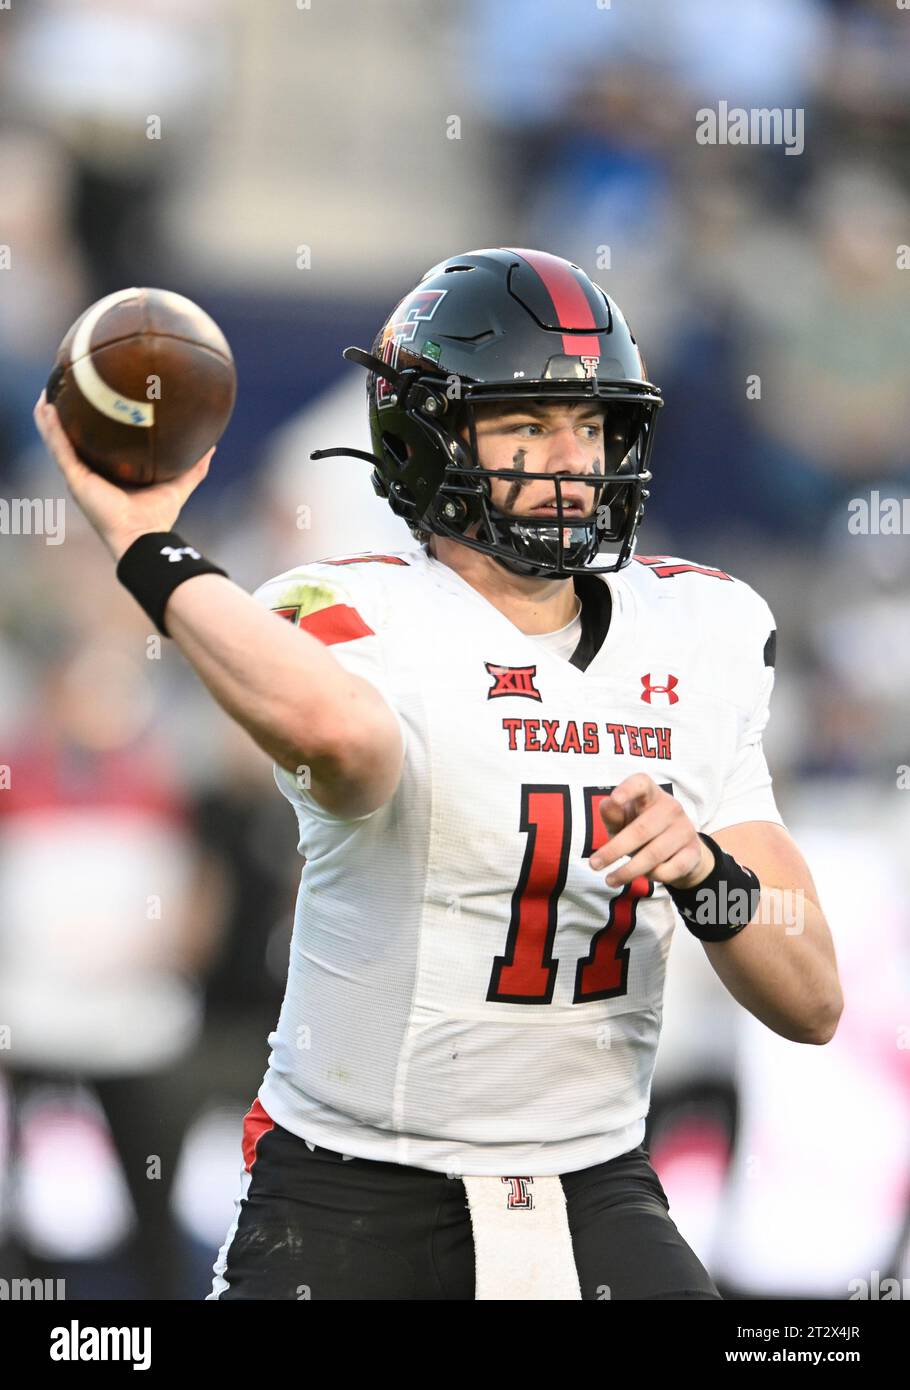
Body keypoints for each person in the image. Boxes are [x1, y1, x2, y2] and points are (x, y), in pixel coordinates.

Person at [34, 246, 843, 1301]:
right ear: (429, 436)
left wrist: (708, 877)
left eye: (590, 424)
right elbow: (345, 738)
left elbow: (813, 999)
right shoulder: (354, 608)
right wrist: (148, 545)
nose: (569, 459)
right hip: (350, 1188)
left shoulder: (700, 630)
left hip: (588, 1175)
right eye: (524, 424)